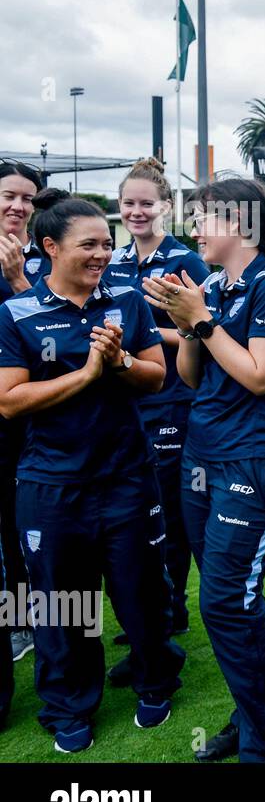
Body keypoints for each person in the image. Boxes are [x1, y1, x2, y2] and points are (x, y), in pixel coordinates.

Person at [0, 189, 183, 753]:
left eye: (107, 243)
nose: (103, 253)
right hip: (51, 485)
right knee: (61, 600)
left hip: (127, 476)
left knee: (141, 590)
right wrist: (85, 374)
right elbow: (9, 400)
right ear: (49, 246)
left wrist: (122, 361)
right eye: (90, 244)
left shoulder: (126, 300)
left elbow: (156, 375)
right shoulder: (16, 313)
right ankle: (69, 704)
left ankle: (155, 683)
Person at [142, 176, 265, 763]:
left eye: (203, 219)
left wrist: (203, 320)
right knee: (229, 598)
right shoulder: (209, 284)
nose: (193, 230)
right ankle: (250, 715)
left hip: (254, 462)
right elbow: (190, 376)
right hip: (201, 456)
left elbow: (261, 375)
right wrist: (188, 325)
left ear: (239, 224)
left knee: (226, 600)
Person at [102, 159, 209, 687]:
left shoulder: (186, 260)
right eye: (129, 204)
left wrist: (144, 338)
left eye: (147, 203)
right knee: (134, 514)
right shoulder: (113, 258)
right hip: (125, 402)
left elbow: (205, 330)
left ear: (165, 206)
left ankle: (168, 615)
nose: (137, 211)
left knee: (165, 512)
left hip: (171, 402)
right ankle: (156, 614)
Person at [0, 161, 49, 670]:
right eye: (10, 196)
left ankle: (24, 623)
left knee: (18, 531)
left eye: (27, 199)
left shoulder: (41, 261)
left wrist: (17, 278)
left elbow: (50, 338)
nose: (18, 207)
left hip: (22, 422)